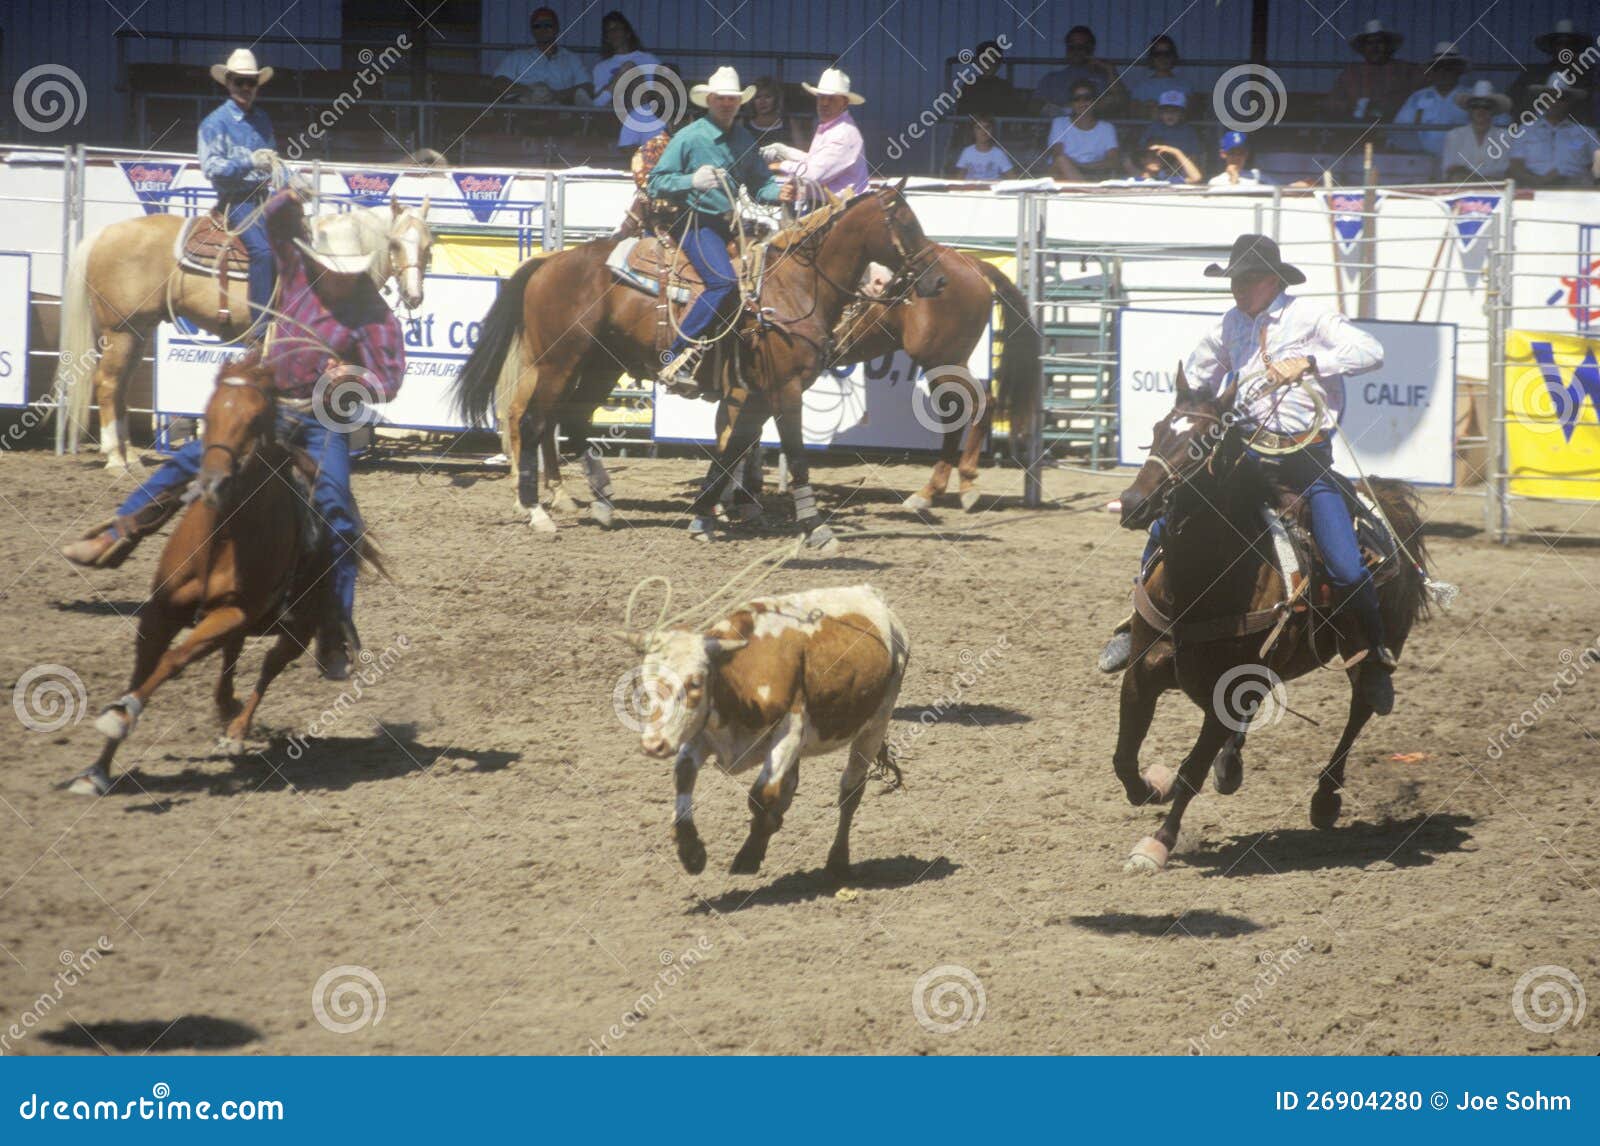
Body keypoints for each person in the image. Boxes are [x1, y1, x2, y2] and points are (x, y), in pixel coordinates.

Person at [62, 189, 406, 681]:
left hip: (318, 423)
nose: (339, 277)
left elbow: (389, 378)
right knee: (197, 458)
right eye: (333, 267)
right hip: (266, 407)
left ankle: (334, 623)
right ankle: (121, 529)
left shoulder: (375, 315)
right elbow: (274, 220)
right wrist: (287, 192)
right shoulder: (294, 271)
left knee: (340, 517)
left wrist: (350, 375)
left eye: (348, 270)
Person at [1099, 235, 1396, 713]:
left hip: (1305, 462)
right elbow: (1199, 377)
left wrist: (1312, 360)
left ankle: (1373, 658)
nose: (1237, 287)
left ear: (1272, 281)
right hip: (1245, 457)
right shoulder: (1229, 326)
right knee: (1168, 522)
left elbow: (1371, 351)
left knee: (1345, 563)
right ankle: (1136, 623)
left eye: (1246, 278)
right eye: (1233, 279)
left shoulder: (1310, 319)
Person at [647, 66, 785, 395]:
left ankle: (726, 367)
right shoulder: (690, 137)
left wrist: (783, 192)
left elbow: (760, 185)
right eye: (721, 99)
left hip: (726, 225)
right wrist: (689, 181)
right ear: (710, 100)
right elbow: (656, 183)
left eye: (732, 99)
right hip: (694, 221)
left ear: (740, 103)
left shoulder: (742, 139)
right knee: (722, 281)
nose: (727, 104)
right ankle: (673, 356)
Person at [198, 48, 277, 333]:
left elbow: (274, 161)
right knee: (264, 252)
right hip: (236, 200)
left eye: (250, 82)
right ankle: (259, 329)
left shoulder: (262, 120)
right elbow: (211, 167)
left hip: (264, 195)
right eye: (239, 81)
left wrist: (293, 181)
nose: (245, 88)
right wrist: (248, 161)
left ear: (257, 85)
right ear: (228, 82)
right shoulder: (214, 123)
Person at [761, 68, 869, 206]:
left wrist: (780, 165)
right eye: (822, 97)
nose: (824, 103)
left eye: (831, 99)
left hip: (843, 212)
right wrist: (786, 152)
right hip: (832, 208)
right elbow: (815, 161)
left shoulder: (843, 135)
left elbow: (812, 175)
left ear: (844, 102)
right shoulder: (833, 128)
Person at [591, 11, 665, 151]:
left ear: (627, 33)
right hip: (614, 117)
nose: (613, 34)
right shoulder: (600, 67)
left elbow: (660, 94)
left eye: (617, 29)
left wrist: (633, 73)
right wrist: (620, 76)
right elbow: (597, 104)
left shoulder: (649, 59)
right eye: (609, 31)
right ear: (605, 38)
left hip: (646, 112)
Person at [1325, 19, 1422, 121]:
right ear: (1363, 47)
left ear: (1388, 45)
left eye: (1380, 42)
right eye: (1370, 43)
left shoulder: (1406, 70)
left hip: (1396, 127)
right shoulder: (1350, 73)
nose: (1375, 47)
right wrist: (1353, 107)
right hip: (1358, 128)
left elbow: (1425, 98)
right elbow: (1331, 103)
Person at [492, 6, 590, 105]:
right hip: (523, 112)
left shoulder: (572, 59)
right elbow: (499, 82)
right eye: (537, 26)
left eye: (548, 25)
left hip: (560, 113)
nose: (543, 29)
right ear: (532, 31)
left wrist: (556, 95)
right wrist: (527, 91)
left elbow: (587, 86)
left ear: (557, 28)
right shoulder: (517, 57)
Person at [1510, 74, 1595, 187]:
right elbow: (1515, 167)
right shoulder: (1524, 130)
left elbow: (1596, 167)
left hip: (1575, 192)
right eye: (1550, 97)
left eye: (1561, 98)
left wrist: (1588, 183)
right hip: (1535, 190)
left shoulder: (1586, 133)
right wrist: (1538, 181)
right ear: (1544, 99)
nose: (1555, 101)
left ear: (1569, 102)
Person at [1391, 43, 1470, 156]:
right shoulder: (1417, 98)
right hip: (1423, 161)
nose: (1443, 72)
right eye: (1438, 67)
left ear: (1459, 70)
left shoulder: (1473, 98)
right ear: (1432, 71)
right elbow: (1400, 130)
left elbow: (1498, 126)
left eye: (1449, 67)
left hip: (1462, 163)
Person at [1509, 18, 1592, 117]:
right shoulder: (1532, 75)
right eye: (1559, 43)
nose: (1564, 48)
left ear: (1577, 48)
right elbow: (1513, 101)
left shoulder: (1589, 77)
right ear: (1552, 47)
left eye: (1570, 44)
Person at [1037, 25, 1121, 114]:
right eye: (1072, 47)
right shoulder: (1051, 79)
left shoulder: (1104, 77)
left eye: (1081, 47)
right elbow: (1035, 107)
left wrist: (1110, 69)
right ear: (1067, 49)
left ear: (1091, 49)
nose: (1076, 51)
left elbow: (1121, 103)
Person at [1048, 80, 1120, 182]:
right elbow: (1057, 154)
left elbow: (1113, 161)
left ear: (1095, 101)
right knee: (1061, 160)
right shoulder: (1059, 123)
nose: (1082, 102)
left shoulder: (1107, 128)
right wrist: (1078, 167)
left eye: (1087, 98)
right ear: (1071, 103)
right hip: (1064, 172)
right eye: (1076, 99)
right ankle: (1090, 191)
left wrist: (1085, 166)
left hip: (1094, 172)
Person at [1441, 81, 1512, 180]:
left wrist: (1468, 174)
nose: (1480, 110)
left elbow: (1505, 174)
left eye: (1486, 106)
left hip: (1496, 191)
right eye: (1475, 105)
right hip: (1461, 191)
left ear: (1493, 110)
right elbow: (1450, 172)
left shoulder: (1505, 136)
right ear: (1469, 109)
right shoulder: (1454, 135)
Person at [954, 39, 1031, 118]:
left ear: (999, 63)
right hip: (975, 129)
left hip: (999, 129)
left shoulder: (1005, 87)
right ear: (978, 62)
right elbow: (963, 114)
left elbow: (1013, 112)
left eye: (994, 60)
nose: (989, 64)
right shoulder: (968, 87)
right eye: (985, 60)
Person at [1127, 35, 1191, 115]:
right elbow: (1133, 113)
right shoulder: (1141, 86)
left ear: (1173, 56)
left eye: (1167, 54)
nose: (1162, 58)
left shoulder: (1184, 85)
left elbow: (1189, 113)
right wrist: (1146, 109)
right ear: (1151, 57)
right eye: (1157, 54)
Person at [1137, 90, 1203, 159]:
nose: (1170, 114)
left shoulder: (1189, 131)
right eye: (1166, 110)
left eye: (1175, 110)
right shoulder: (1153, 128)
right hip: (1157, 165)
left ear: (1182, 113)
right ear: (1160, 113)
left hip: (1181, 167)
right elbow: (1142, 151)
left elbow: (1194, 155)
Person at [744, 76, 805, 150]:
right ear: (752, 100)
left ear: (776, 99)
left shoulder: (789, 124)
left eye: (767, 96)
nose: (762, 102)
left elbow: (802, 153)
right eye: (758, 97)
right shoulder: (744, 124)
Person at [953, 114, 1018, 181]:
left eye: (987, 127)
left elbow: (1012, 178)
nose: (983, 131)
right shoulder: (967, 152)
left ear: (992, 130)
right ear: (973, 131)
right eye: (979, 128)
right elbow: (959, 178)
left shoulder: (999, 154)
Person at [1112, 143, 1201, 185]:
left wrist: (1177, 152)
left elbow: (1196, 178)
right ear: (1142, 160)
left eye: (1160, 158)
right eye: (1153, 158)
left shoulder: (1167, 181)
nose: (1158, 161)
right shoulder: (1130, 181)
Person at [1208, 130, 1273, 187]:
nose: (1237, 157)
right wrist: (1234, 177)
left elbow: (1278, 194)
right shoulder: (1216, 181)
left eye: (1241, 152)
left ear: (1246, 154)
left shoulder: (1259, 176)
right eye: (1232, 152)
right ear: (1223, 154)